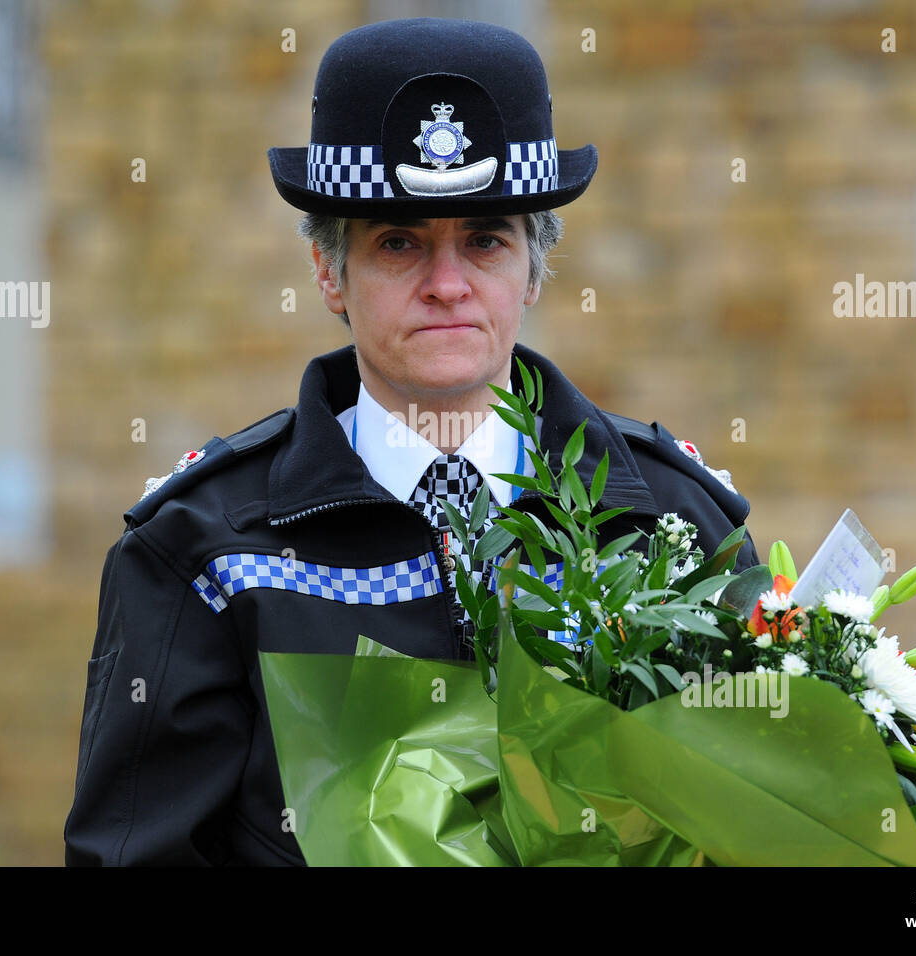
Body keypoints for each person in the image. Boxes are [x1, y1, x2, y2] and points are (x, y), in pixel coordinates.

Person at [64, 17, 761, 867]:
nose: (446, 284)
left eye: (486, 240)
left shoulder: (674, 523)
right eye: (398, 242)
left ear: (533, 269)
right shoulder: (201, 552)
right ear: (330, 272)